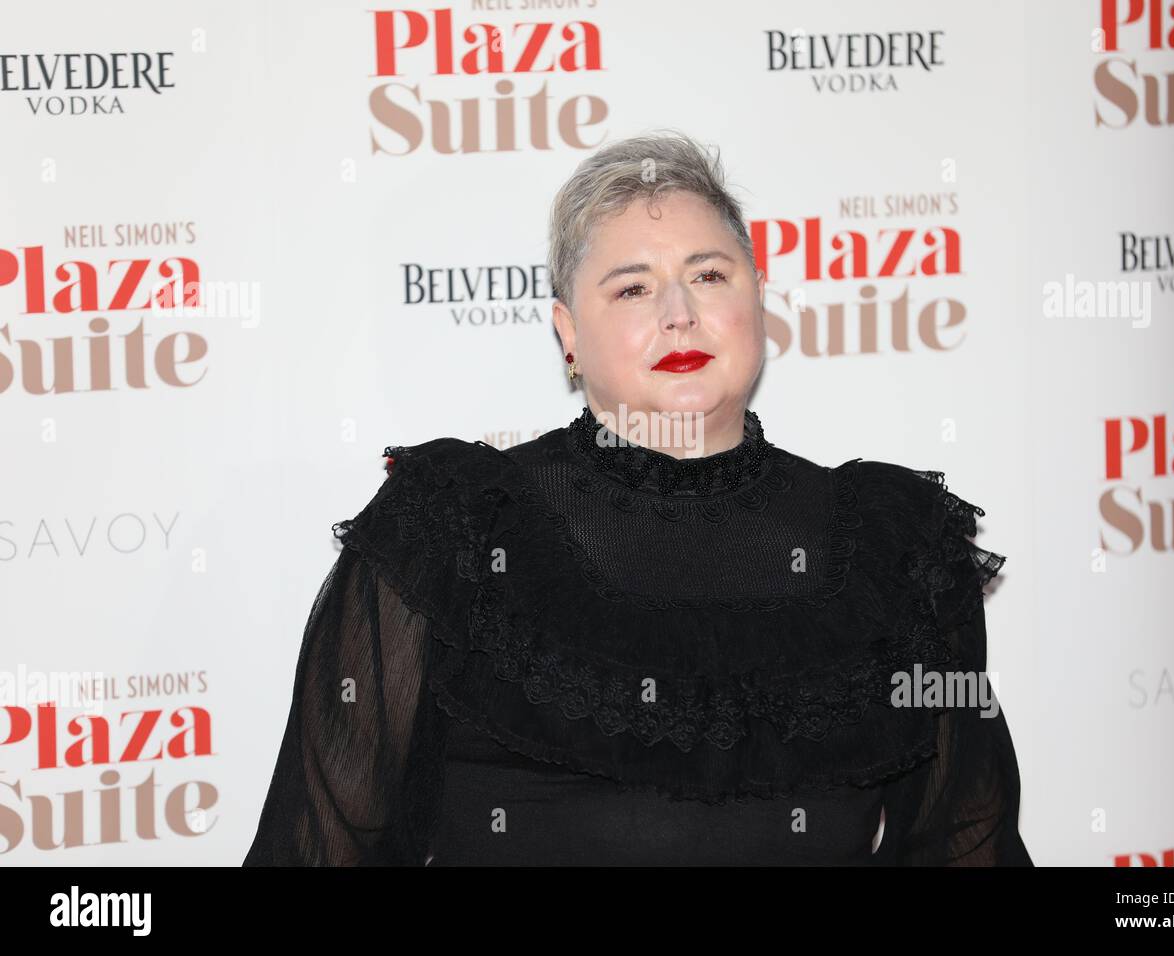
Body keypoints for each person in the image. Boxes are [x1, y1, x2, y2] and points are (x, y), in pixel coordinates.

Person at [242, 130, 1033, 866]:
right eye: (632, 289)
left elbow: (968, 843)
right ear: (568, 336)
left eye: (709, 275)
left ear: (757, 301)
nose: (679, 312)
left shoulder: (896, 551)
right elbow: (315, 847)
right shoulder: (452, 529)